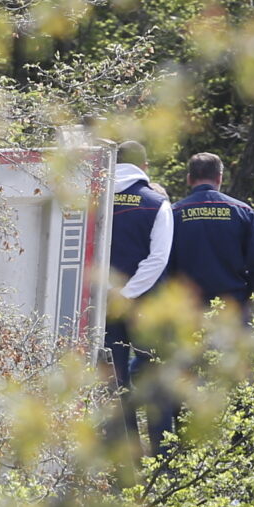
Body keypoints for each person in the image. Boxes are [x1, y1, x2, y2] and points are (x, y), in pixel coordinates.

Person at [102, 145, 174, 420]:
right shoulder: (157, 203)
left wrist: (112, 292)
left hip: (105, 304)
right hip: (147, 303)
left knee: (114, 382)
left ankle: (124, 457)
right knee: (154, 377)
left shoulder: (96, 200)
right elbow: (158, 259)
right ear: (144, 166)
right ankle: (163, 458)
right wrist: (129, 293)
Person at [166, 152, 254, 314]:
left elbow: (162, 263)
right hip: (231, 308)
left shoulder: (173, 213)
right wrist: (248, 299)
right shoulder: (242, 211)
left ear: (189, 179)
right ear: (219, 178)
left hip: (187, 310)